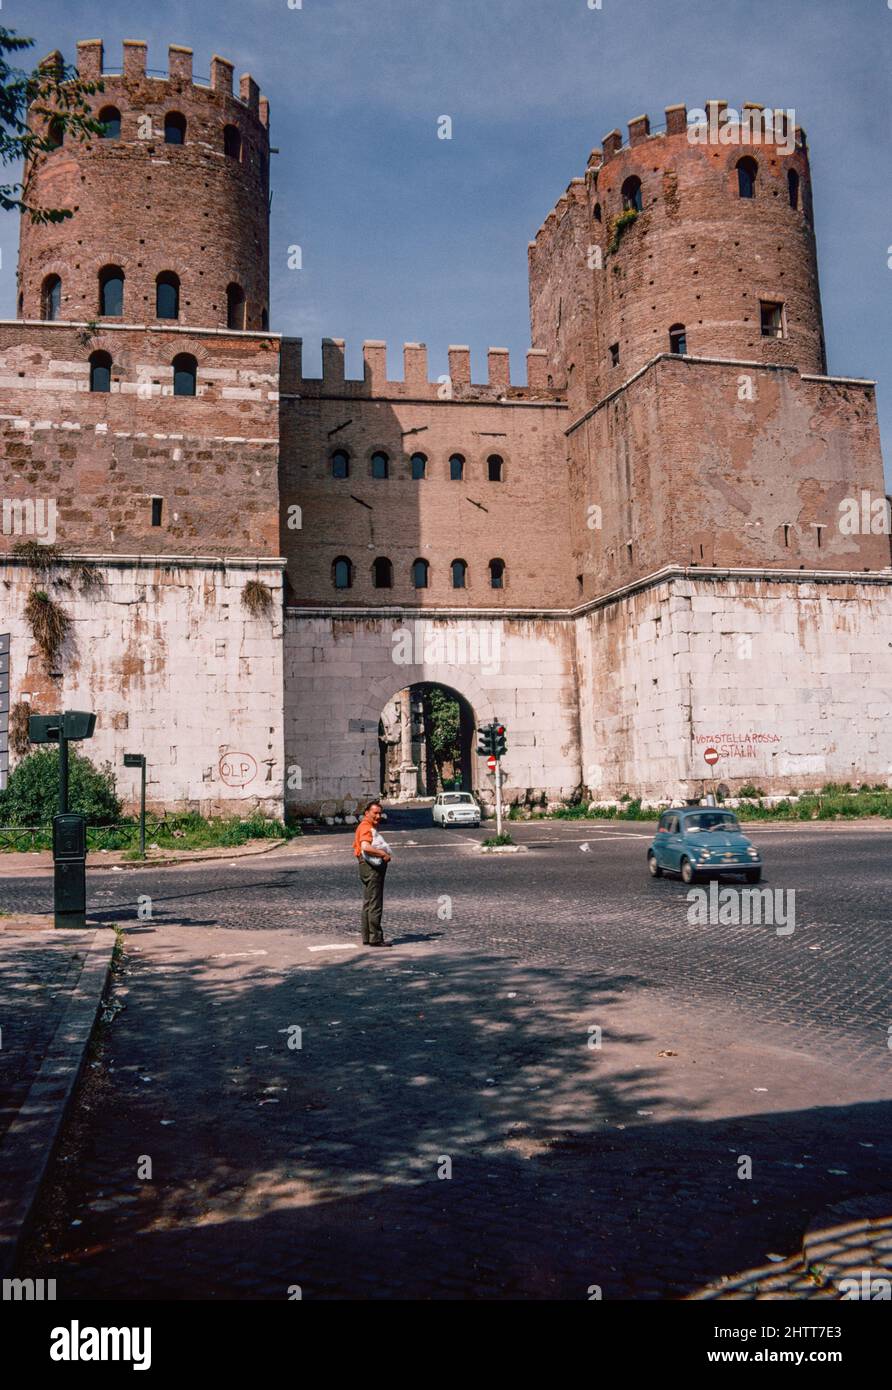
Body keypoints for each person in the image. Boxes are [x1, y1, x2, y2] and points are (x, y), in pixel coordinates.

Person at [353, 800, 393, 947]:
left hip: (364, 866)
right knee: (375, 903)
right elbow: (365, 846)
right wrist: (383, 854)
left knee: (368, 902)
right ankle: (375, 937)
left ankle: (367, 936)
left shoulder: (364, 826)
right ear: (367, 813)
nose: (378, 816)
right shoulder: (366, 827)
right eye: (375, 813)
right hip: (371, 867)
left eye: (379, 813)